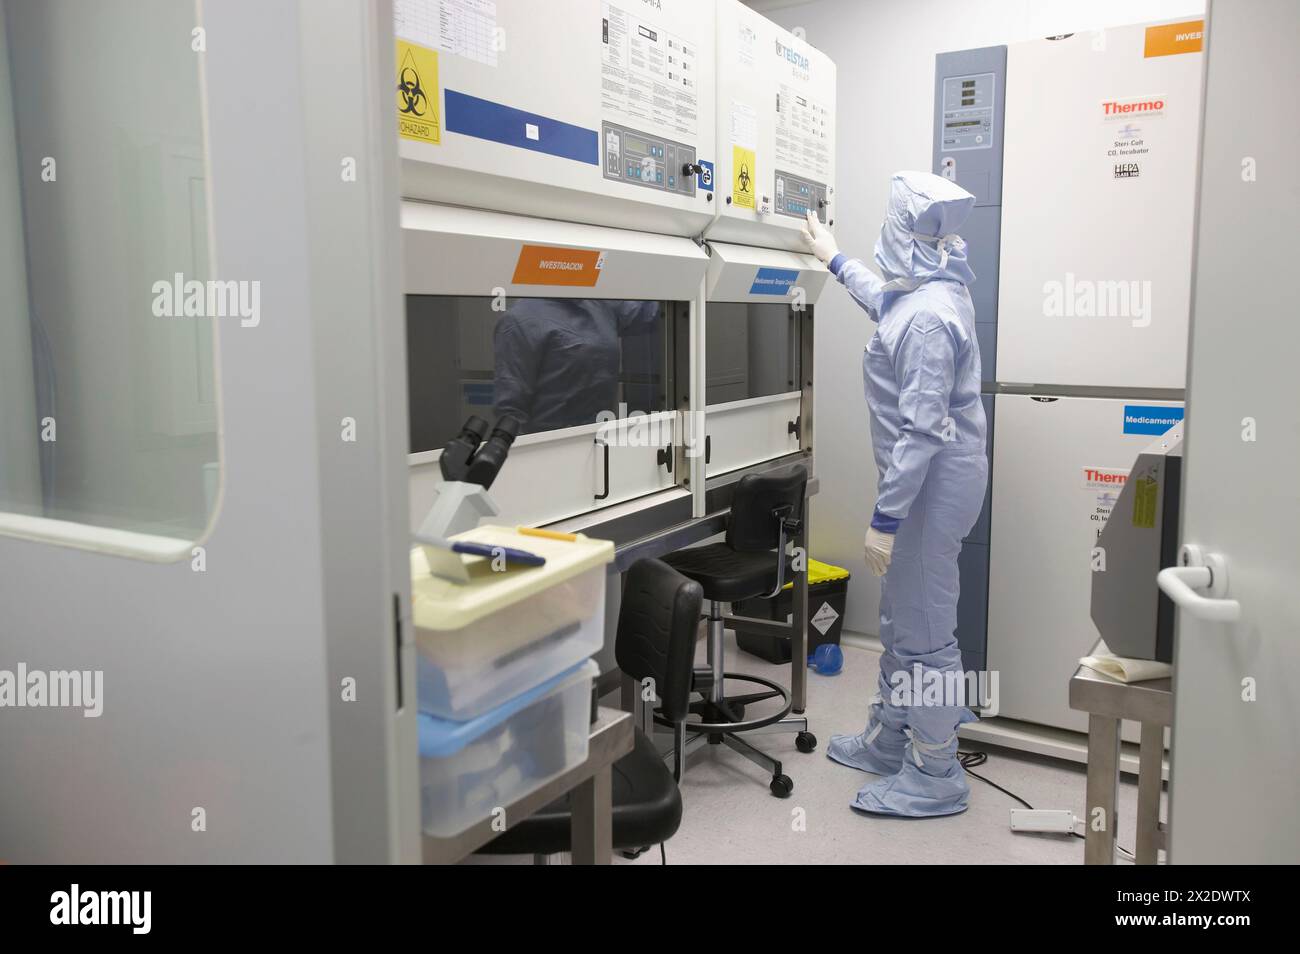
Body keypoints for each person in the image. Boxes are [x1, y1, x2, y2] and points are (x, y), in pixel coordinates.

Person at [801, 171, 987, 817]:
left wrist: (884, 519)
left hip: (928, 489)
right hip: (920, 486)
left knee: (927, 630)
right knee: (899, 617)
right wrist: (833, 256)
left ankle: (937, 774)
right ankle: (891, 737)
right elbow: (885, 301)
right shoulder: (931, 285)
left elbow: (922, 430)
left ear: (902, 229)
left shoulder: (932, 318)